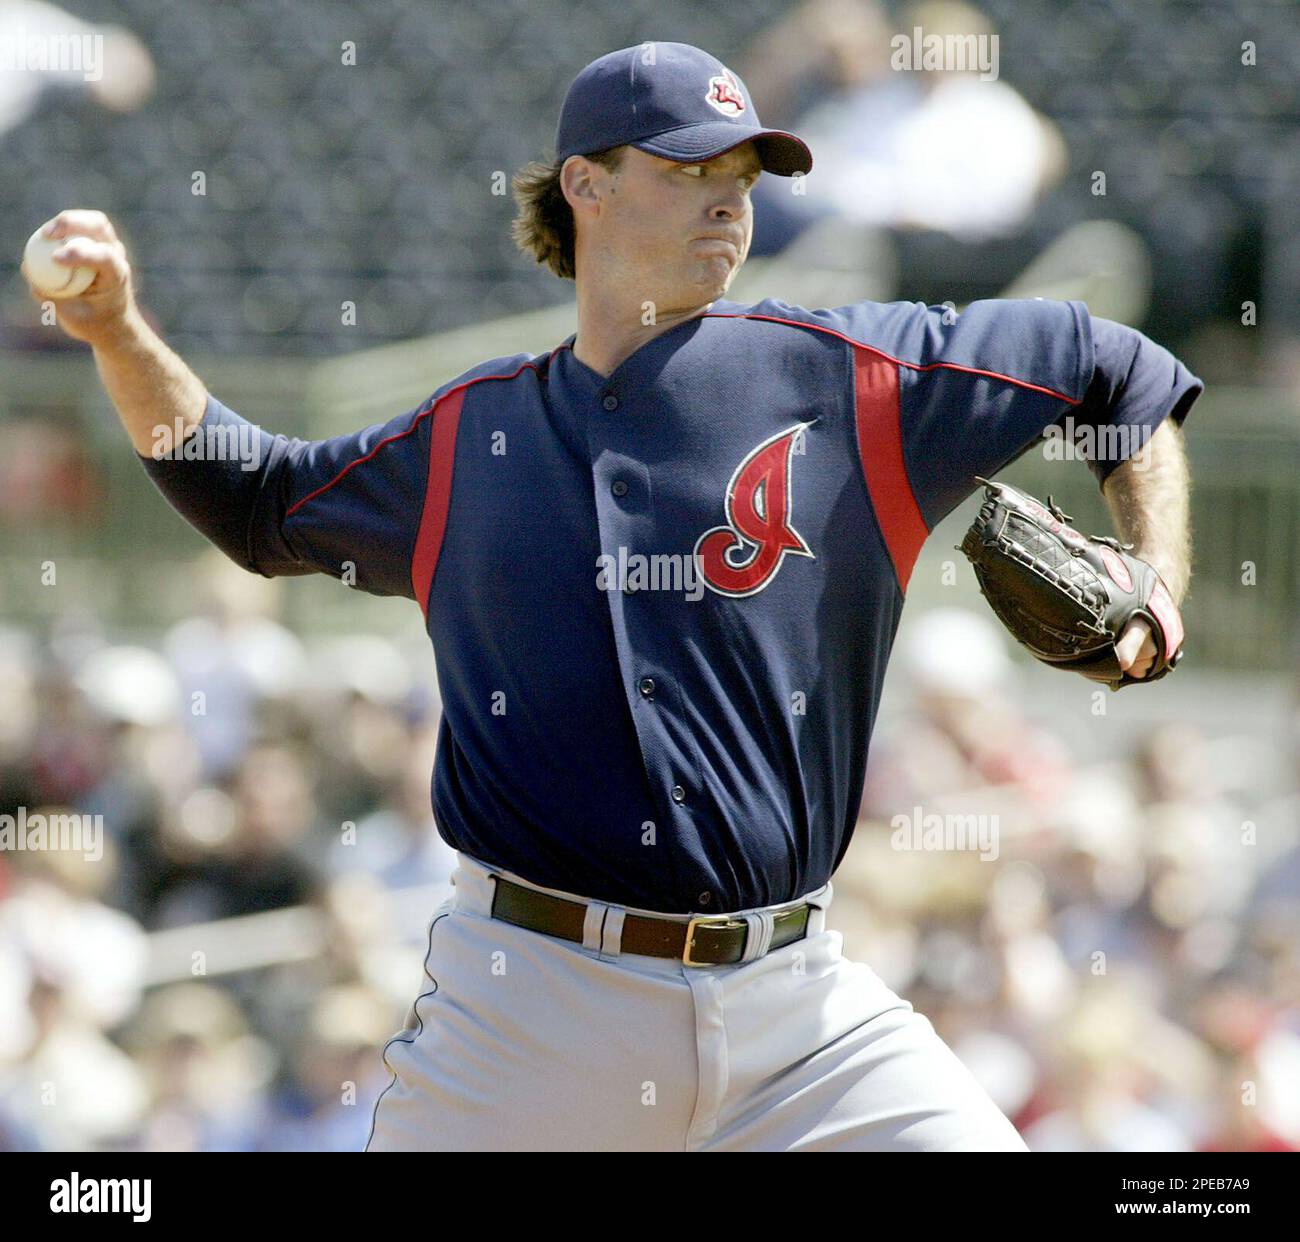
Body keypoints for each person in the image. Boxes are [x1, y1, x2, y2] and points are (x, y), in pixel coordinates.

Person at [26, 41, 1202, 1151]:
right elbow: (256, 504)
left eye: (744, 171)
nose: (729, 196)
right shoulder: (468, 439)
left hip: (799, 1011)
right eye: (690, 167)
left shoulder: (853, 377)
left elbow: (1117, 372)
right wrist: (117, 330)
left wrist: (1155, 581)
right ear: (582, 186)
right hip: (533, 1006)